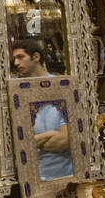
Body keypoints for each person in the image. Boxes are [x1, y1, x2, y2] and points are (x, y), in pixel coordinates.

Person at [11, 37, 72, 180]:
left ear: (36, 57)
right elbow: (20, 144)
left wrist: (33, 142)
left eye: (20, 57)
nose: (16, 63)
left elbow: (64, 140)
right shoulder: (20, 94)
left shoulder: (62, 89)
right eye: (14, 58)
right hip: (34, 178)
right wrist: (50, 134)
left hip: (64, 177)